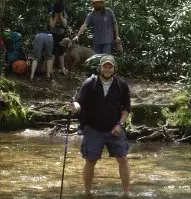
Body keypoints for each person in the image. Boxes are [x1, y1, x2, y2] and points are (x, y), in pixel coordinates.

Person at [67, 55, 131, 197]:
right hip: (93, 129)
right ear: (100, 68)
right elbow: (79, 103)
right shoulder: (90, 83)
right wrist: (73, 107)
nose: (107, 69)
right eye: (105, 66)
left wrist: (120, 124)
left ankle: (126, 194)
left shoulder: (121, 85)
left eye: (110, 66)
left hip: (115, 129)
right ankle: (87, 193)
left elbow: (126, 108)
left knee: (123, 159)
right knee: (90, 160)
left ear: (115, 69)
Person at [49, 0, 68, 75]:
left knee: (61, 52)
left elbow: (65, 25)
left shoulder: (64, 12)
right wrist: (56, 17)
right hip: (53, 34)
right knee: (53, 51)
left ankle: (62, 69)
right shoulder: (51, 12)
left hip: (61, 34)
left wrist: (61, 15)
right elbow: (52, 26)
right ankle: (50, 69)